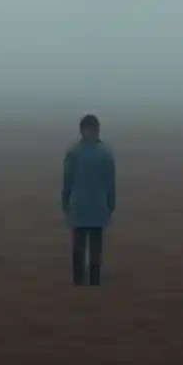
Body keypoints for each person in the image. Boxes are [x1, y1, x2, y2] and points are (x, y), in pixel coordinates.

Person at [61, 114, 116, 286]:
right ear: (97, 130)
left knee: (78, 245)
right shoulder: (105, 154)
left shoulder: (73, 153)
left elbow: (67, 181)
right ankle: (94, 280)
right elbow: (110, 184)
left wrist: (65, 202)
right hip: (98, 206)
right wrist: (111, 204)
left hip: (78, 205)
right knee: (95, 247)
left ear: (81, 130)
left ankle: (78, 280)